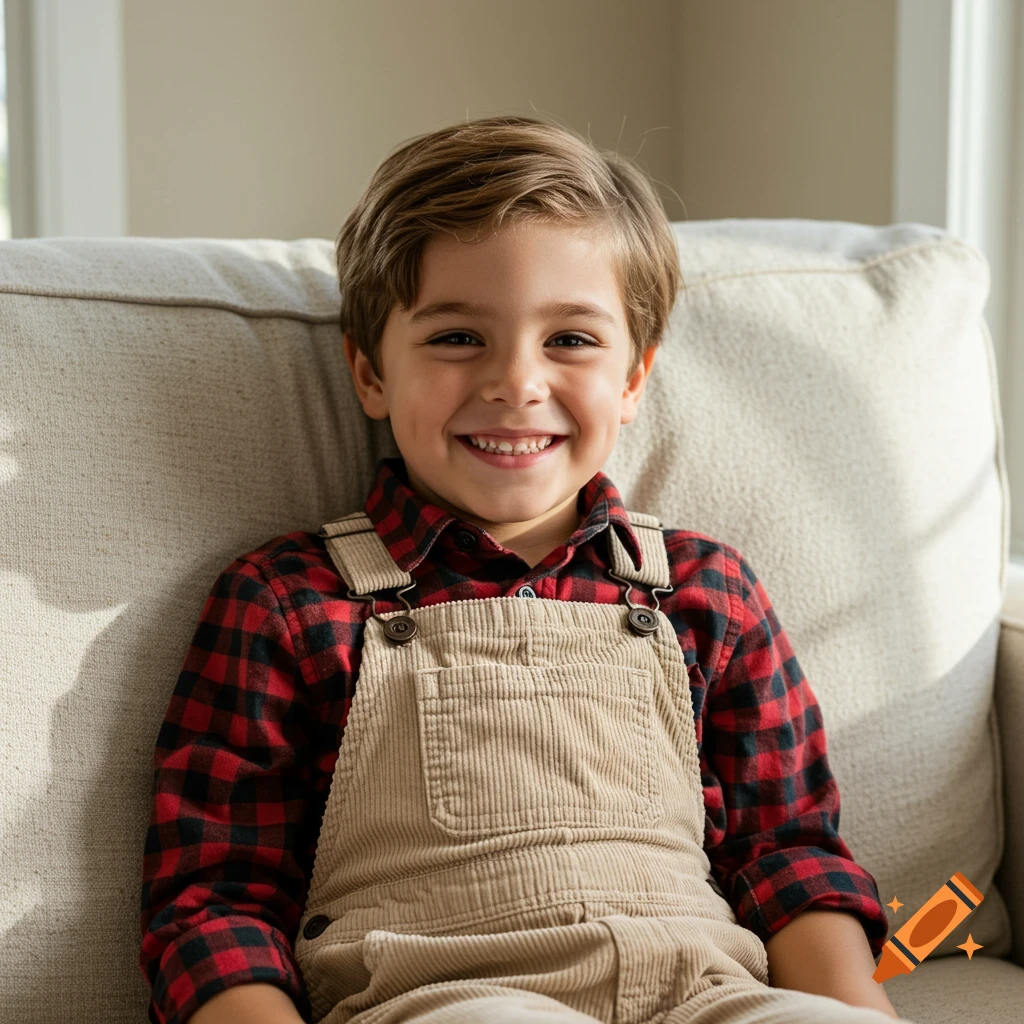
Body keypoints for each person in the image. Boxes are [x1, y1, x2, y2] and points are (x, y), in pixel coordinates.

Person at [138, 115, 913, 1024]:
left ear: (633, 379)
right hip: (444, 1000)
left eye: (572, 341)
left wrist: (852, 1014)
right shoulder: (290, 600)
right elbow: (215, 896)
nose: (515, 381)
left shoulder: (710, 592)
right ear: (370, 372)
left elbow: (787, 853)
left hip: (703, 994)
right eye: (458, 337)